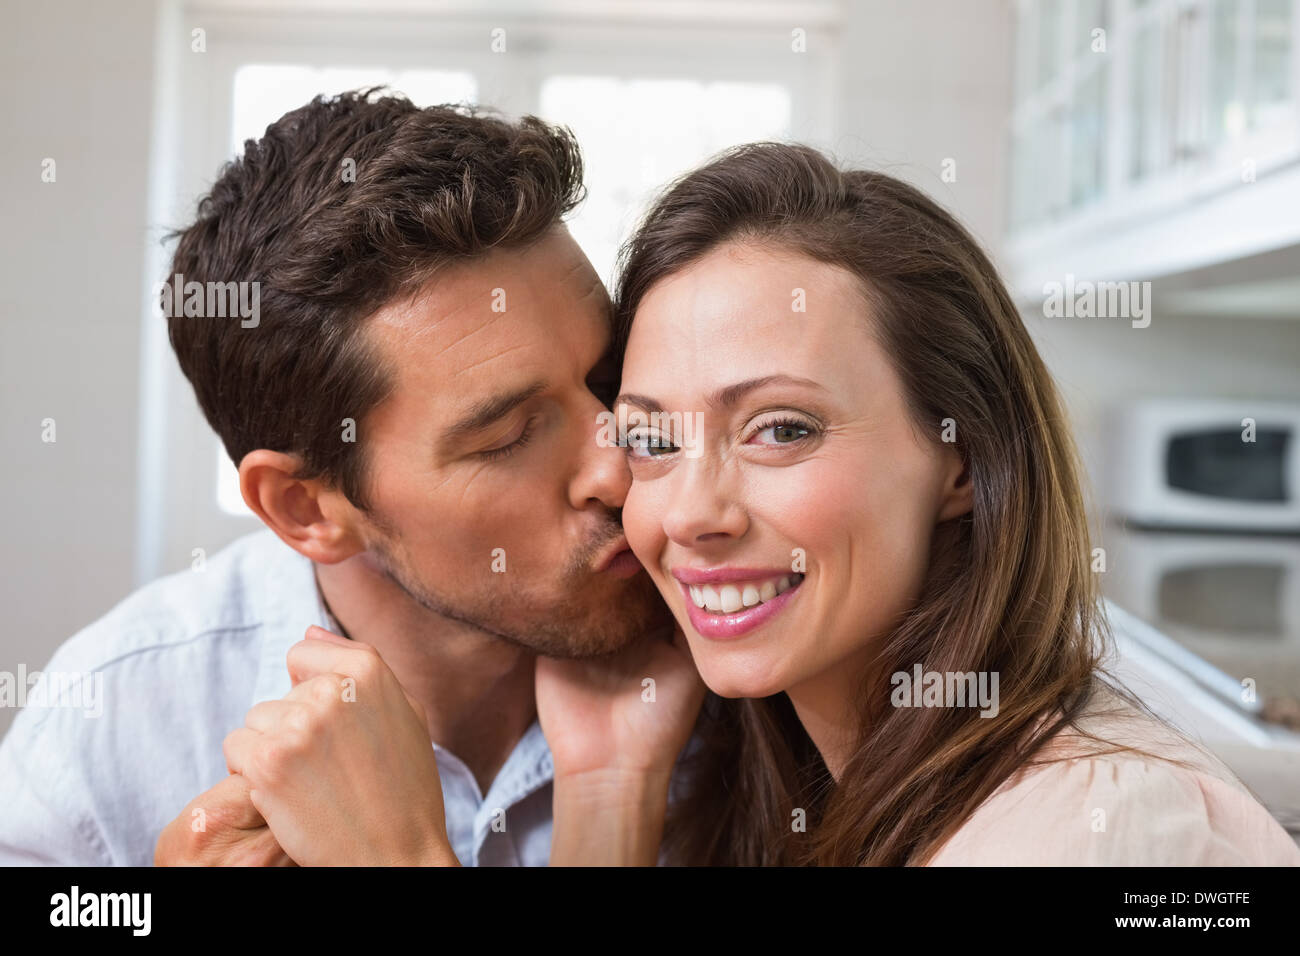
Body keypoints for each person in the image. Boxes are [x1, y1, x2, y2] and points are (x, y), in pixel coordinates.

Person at [0, 89, 701, 867]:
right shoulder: (116, 720)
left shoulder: (745, 659)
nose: (619, 465)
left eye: (610, 375)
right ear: (305, 509)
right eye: (508, 436)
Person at [592, 141, 1300, 865]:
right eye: (652, 439)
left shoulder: (1094, 833)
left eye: (780, 430)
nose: (688, 515)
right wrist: (608, 781)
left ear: (962, 460)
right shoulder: (804, 785)